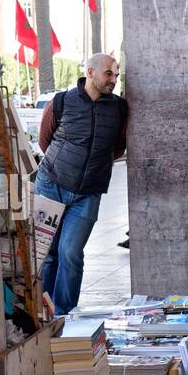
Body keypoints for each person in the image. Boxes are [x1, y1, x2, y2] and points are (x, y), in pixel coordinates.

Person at [35, 53, 128, 315]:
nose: (113, 80)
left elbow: (118, 147)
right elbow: (45, 141)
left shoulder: (119, 108)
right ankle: (46, 313)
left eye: (116, 75)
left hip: (88, 194)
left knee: (70, 252)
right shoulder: (62, 102)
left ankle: (64, 313)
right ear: (90, 73)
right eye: (108, 74)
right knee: (48, 253)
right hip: (50, 185)